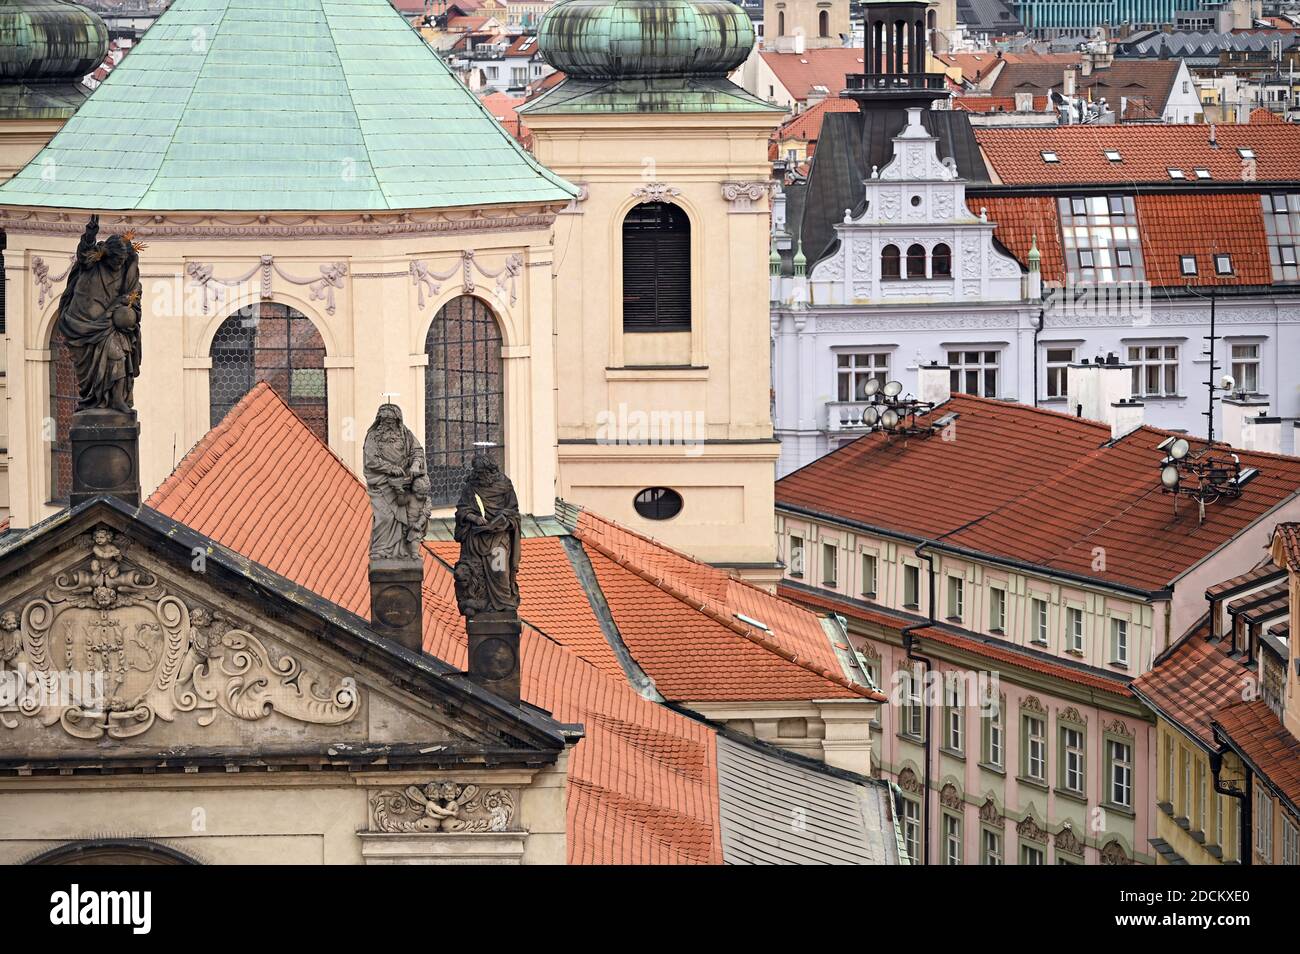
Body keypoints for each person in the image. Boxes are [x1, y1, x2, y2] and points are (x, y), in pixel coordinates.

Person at [55, 215, 143, 413]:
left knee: (118, 354)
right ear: (107, 256)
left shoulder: (127, 269)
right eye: (117, 260)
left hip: (107, 326)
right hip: (80, 325)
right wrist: (89, 235)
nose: (120, 264)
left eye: (123, 260)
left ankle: (118, 400)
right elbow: (84, 253)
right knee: (88, 374)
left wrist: (127, 308)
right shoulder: (92, 263)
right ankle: (93, 397)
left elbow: (132, 294)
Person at [452, 454, 521, 619]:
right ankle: (479, 604)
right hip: (476, 538)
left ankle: (503, 604)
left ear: (490, 471)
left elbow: (514, 513)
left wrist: (501, 521)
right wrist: (474, 518)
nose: (479, 476)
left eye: (482, 472)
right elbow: (462, 510)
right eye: (477, 472)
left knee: (500, 571)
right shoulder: (471, 487)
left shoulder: (505, 485)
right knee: (475, 574)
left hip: (498, 537)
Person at [363, 404, 430, 561]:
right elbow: (371, 460)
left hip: (403, 483)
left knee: (405, 518)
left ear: (398, 421)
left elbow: (417, 451)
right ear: (379, 420)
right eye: (385, 421)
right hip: (381, 484)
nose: (388, 424)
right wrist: (390, 468)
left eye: (391, 421)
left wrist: (414, 465)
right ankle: (379, 550)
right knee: (385, 517)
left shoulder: (405, 434)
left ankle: (401, 551)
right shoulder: (373, 436)